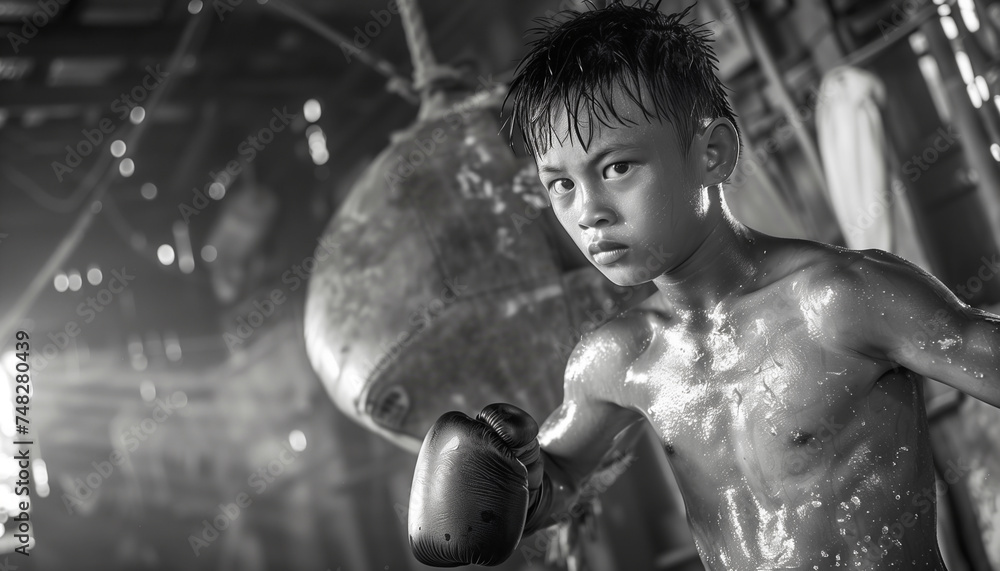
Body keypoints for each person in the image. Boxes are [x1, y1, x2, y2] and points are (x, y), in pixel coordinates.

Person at [407, 2, 1000, 569]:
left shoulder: (840, 300)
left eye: (617, 167)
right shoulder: (616, 359)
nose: (588, 212)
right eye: (561, 184)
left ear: (712, 153)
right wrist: (515, 479)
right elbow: (557, 482)